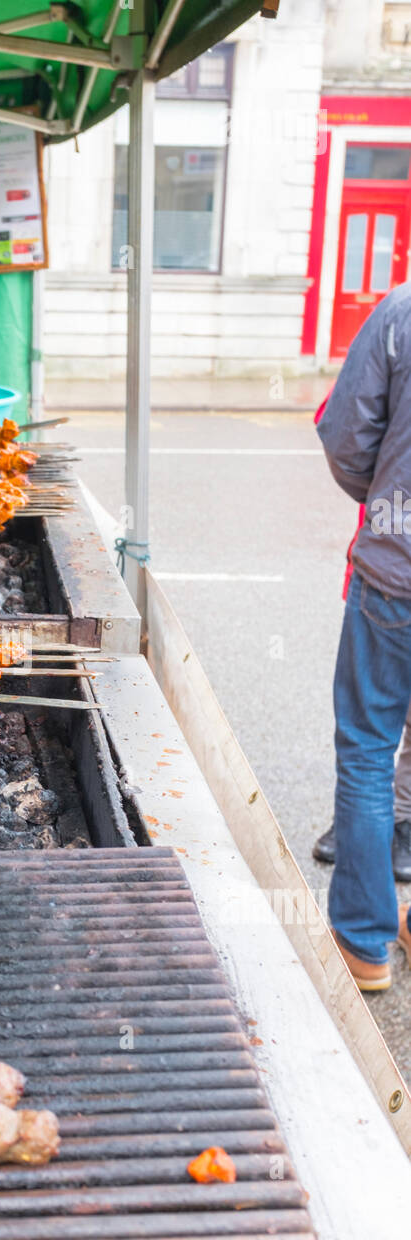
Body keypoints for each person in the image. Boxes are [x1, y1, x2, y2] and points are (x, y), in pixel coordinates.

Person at [317, 282, 411, 990]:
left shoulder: (402, 310)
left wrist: (379, 495)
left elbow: (346, 434)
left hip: (397, 573)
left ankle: (364, 942)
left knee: (368, 752)